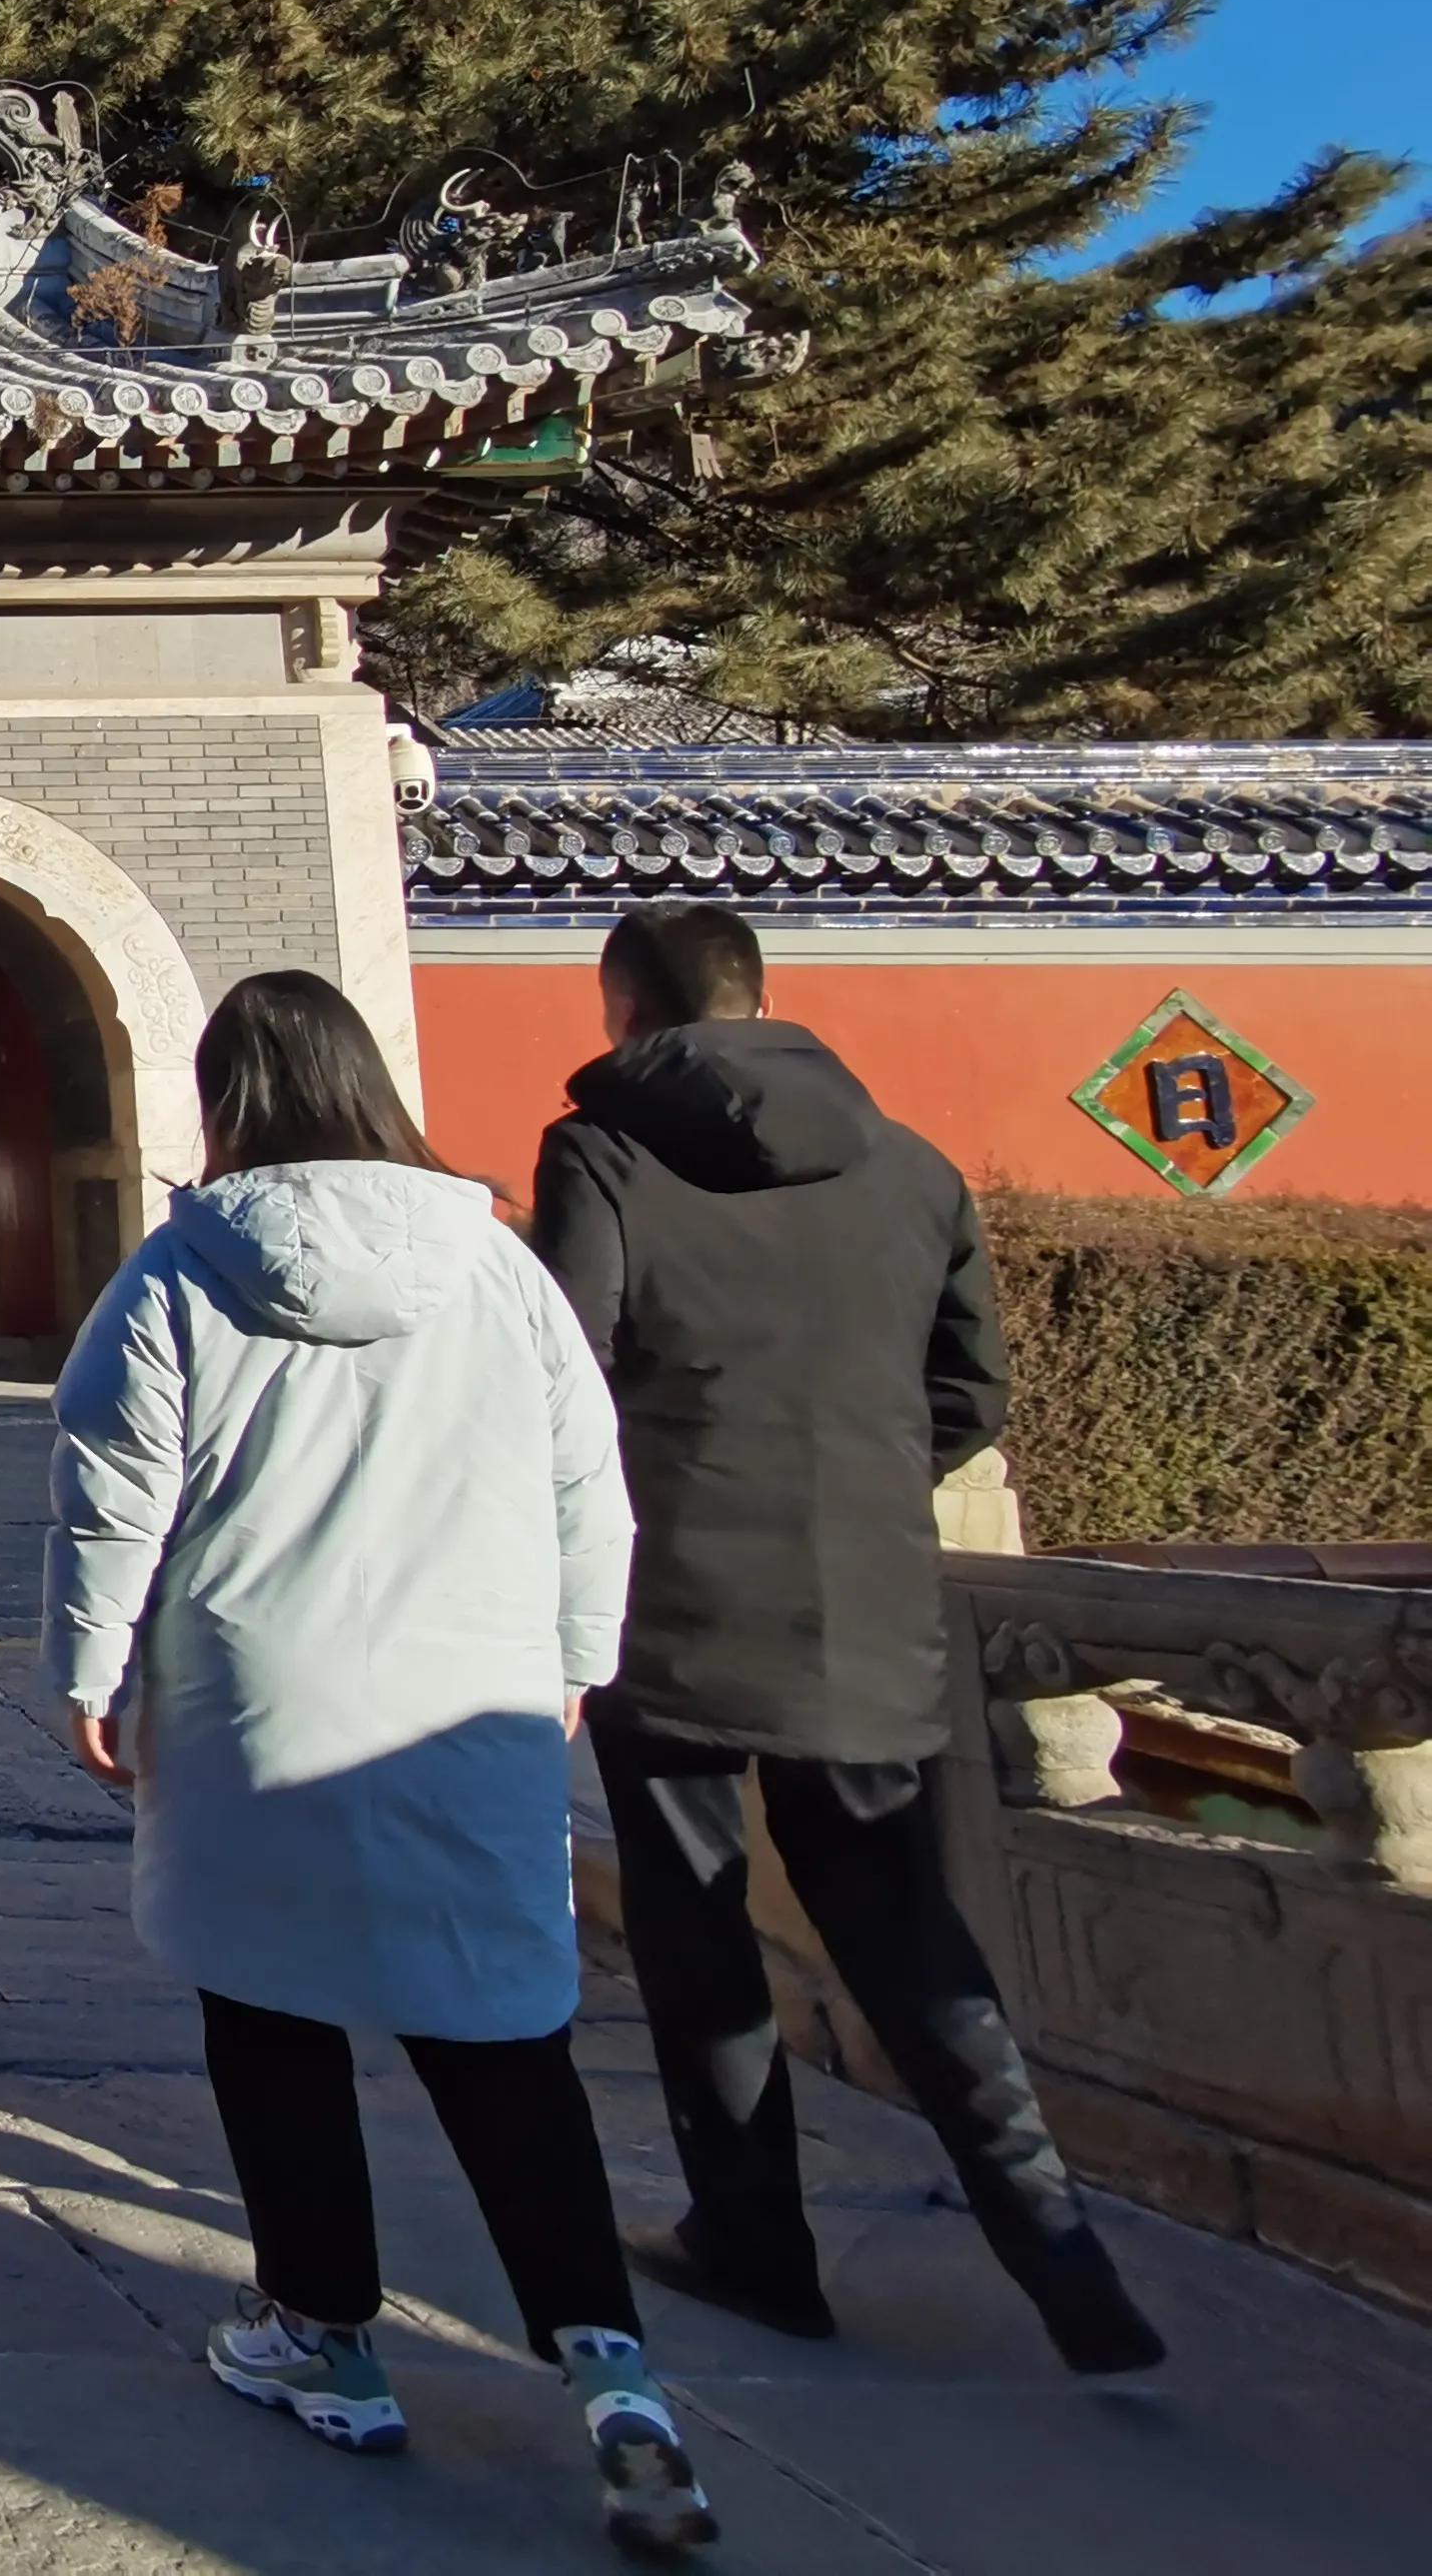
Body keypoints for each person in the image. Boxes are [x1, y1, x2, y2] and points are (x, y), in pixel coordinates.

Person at [49, 970, 712, 2560]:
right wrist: (573, 1658)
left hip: (254, 1695)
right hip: (466, 1698)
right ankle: (615, 2381)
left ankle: (326, 2337)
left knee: (270, 2016)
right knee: (499, 2035)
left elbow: (112, 1488)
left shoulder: (181, 1272)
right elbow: (587, 1484)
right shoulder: (499, 1269)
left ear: (226, 1101)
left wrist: (86, 1670)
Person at [535, 900, 1164, 2373]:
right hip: (870, 1606)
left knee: (698, 1942)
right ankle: (1061, 2255)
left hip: (671, 1604)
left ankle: (756, 2240)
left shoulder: (608, 1152)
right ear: (763, 995)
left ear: (627, 1010)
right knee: (907, 1937)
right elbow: (972, 1398)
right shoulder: (916, 1168)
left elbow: (566, 1373)